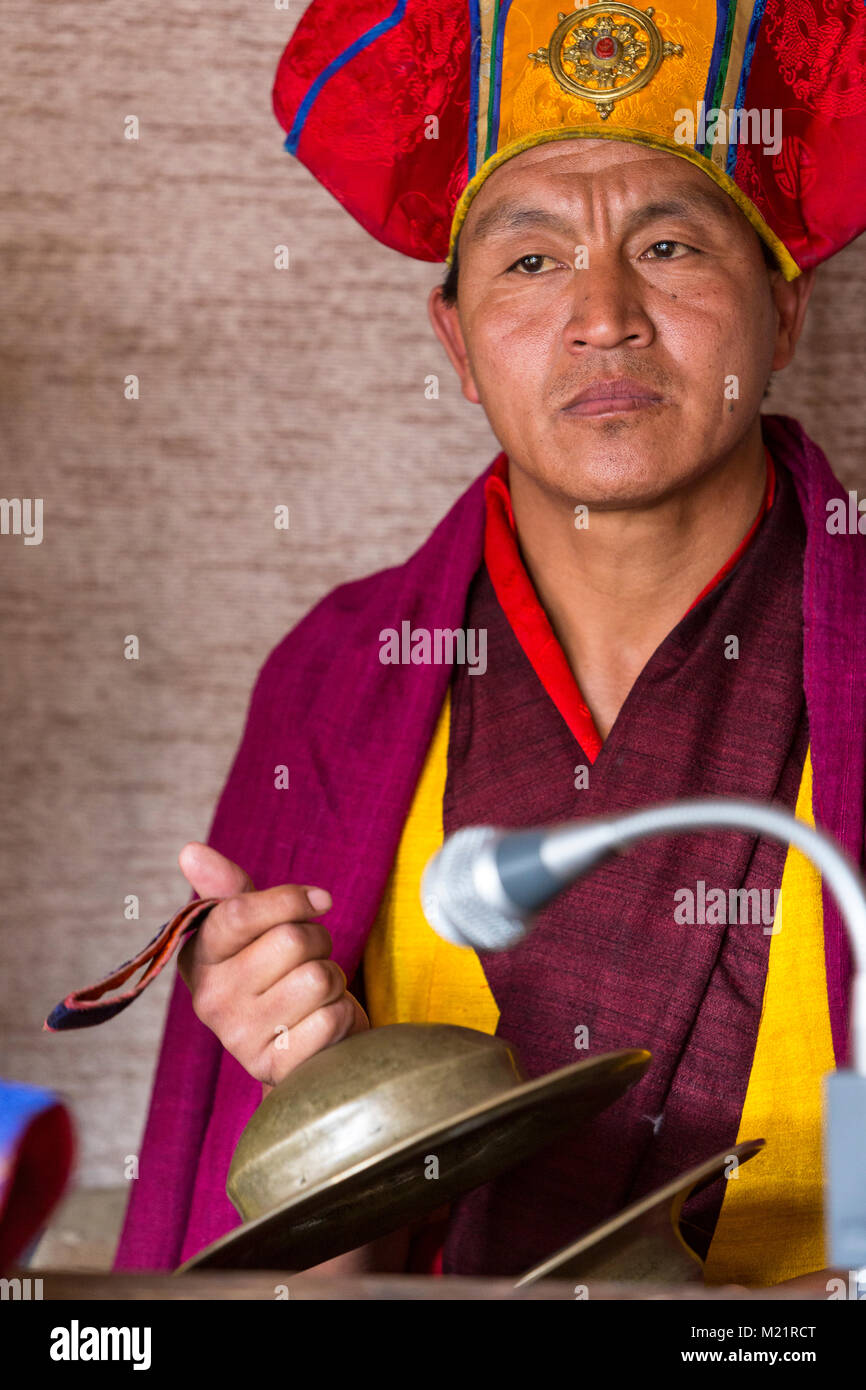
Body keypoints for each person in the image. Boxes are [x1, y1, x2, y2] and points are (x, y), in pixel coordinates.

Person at [113, 0, 866, 1283]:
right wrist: (317, 1084)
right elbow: (292, 1280)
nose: (603, 316)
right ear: (456, 344)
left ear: (782, 314)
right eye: (528, 262)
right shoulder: (340, 676)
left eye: (671, 244)